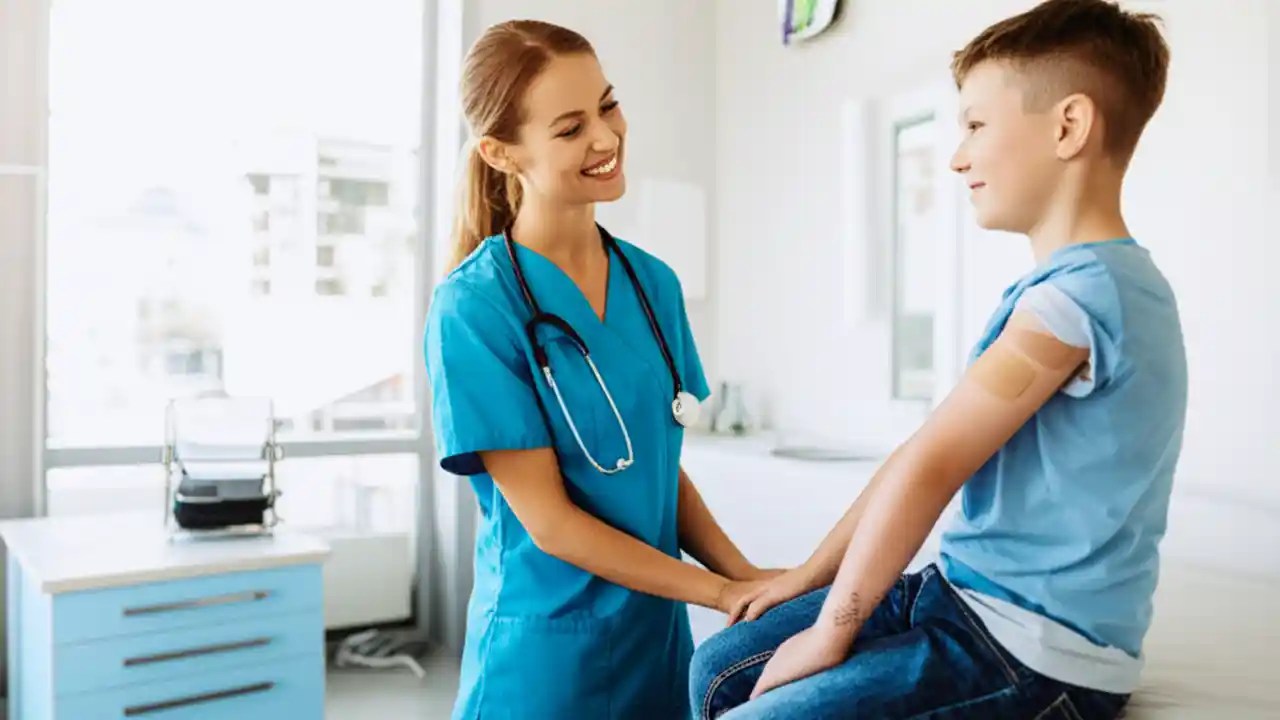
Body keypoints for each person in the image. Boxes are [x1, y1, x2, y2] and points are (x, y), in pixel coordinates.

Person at [689, 1, 1185, 718]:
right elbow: (919, 453)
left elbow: (933, 468)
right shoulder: (1071, 290)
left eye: (977, 124)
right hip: (960, 595)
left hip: (1029, 652)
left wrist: (832, 631)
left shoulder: (1084, 300)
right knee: (717, 669)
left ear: (1069, 126)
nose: (957, 155)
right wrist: (808, 578)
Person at [423, 20, 774, 720]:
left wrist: (748, 576)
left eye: (608, 106)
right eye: (570, 127)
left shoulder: (654, 284)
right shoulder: (474, 308)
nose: (607, 137)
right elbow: (550, 523)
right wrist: (716, 592)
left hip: (655, 641)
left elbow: (655, 469)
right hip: (544, 657)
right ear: (501, 153)